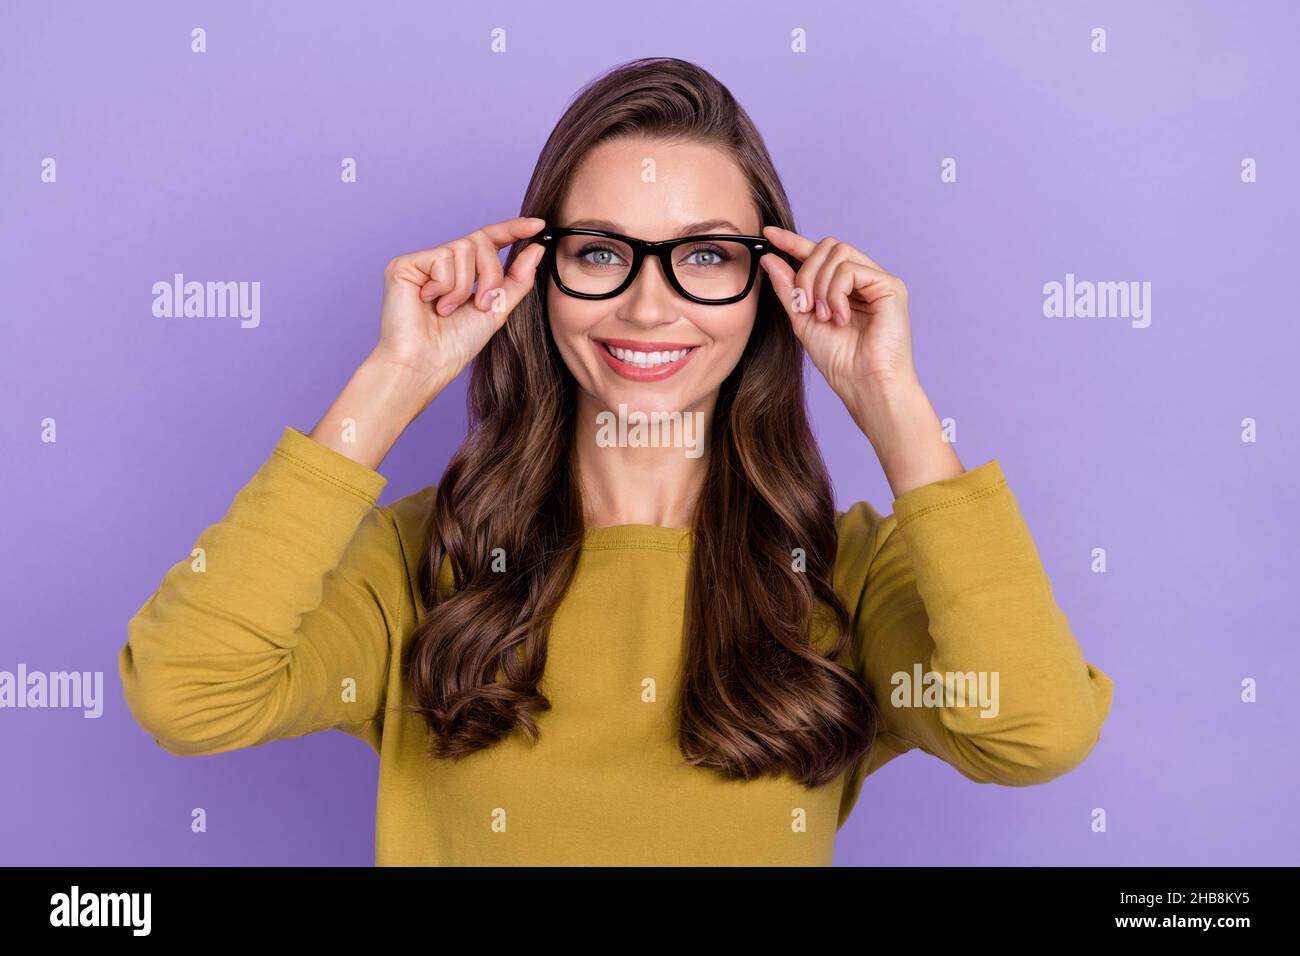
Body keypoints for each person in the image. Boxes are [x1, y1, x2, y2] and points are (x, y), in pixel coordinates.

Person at [119, 56, 1113, 866]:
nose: (647, 306)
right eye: (600, 252)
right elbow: (185, 692)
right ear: (536, 276)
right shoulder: (418, 563)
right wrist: (392, 378)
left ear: (769, 286)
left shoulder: (845, 574)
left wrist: (892, 403)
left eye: (706, 256)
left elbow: (1035, 731)